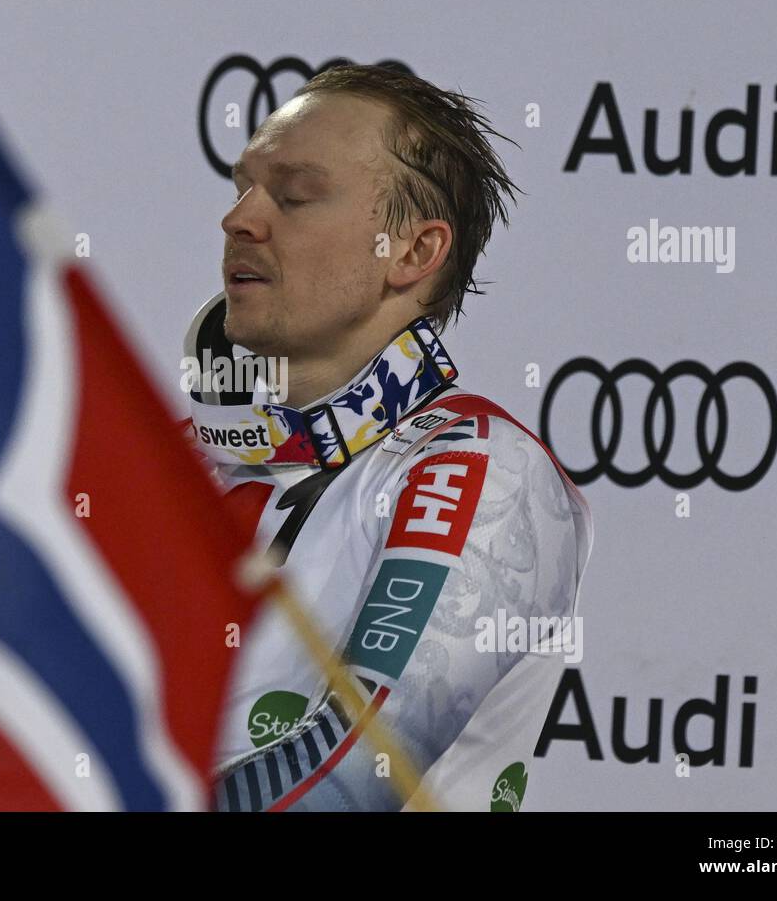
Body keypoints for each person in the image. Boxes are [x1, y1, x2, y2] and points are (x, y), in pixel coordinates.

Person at [183, 64, 595, 811]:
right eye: (242, 185)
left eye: (295, 195)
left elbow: (354, 770)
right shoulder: (179, 455)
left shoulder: (476, 466)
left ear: (411, 253)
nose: (239, 218)